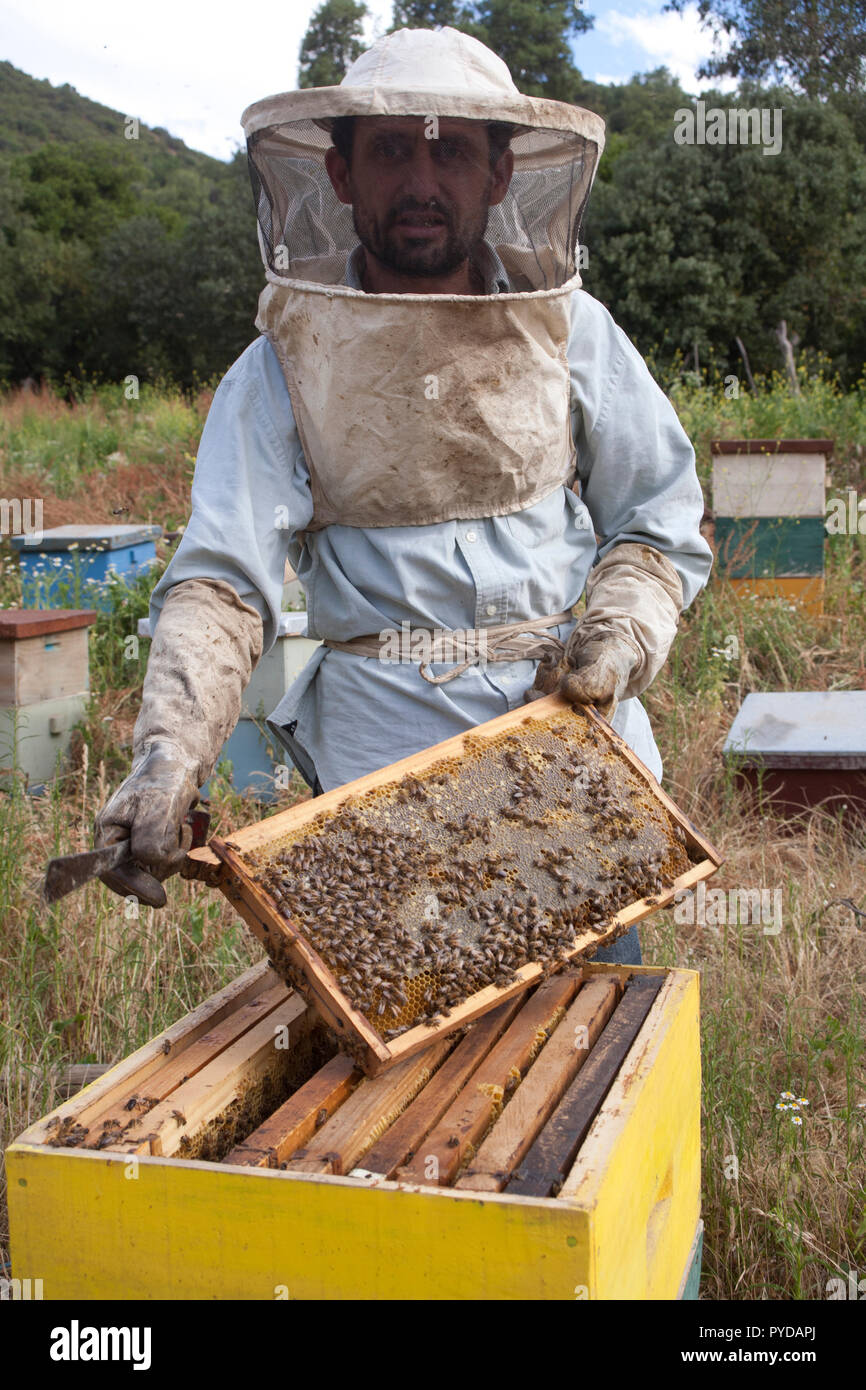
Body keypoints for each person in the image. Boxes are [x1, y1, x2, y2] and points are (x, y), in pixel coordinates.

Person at [95, 27, 712, 965]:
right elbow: (223, 584)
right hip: (379, 779)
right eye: (390, 150)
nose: (421, 180)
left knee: (592, 1072)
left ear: (501, 175)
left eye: (451, 151)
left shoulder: (571, 333)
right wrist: (169, 753)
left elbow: (659, 519)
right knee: (404, 1088)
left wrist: (619, 634)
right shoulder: (279, 369)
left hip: (573, 754)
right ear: (339, 178)